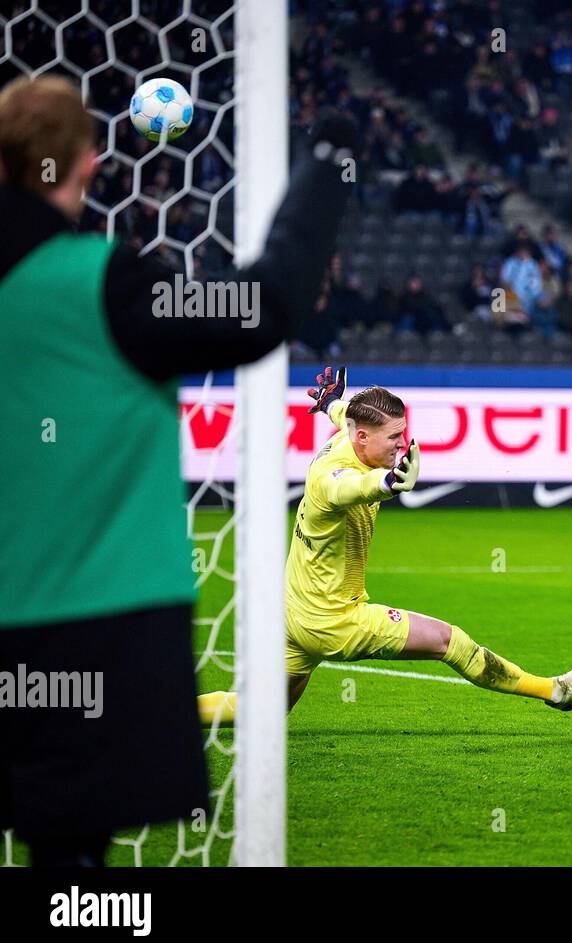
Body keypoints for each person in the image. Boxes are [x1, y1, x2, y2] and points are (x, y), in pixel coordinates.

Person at [0, 75, 355, 866]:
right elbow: (264, 305)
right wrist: (328, 161)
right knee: (75, 873)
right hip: (94, 627)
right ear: (89, 162)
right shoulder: (103, 286)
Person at [198, 368, 572, 724]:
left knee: (258, 711)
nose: (400, 443)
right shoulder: (332, 477)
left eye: (402, 432)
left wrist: (331, 402)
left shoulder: (350, 435)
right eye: (393, 437)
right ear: (362, 439)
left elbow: (345, 417)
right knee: (450, 641)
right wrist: (387, 484)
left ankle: (159, 717)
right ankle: (556, 690)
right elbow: (348, 489)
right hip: (334, 621)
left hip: (295, 612)